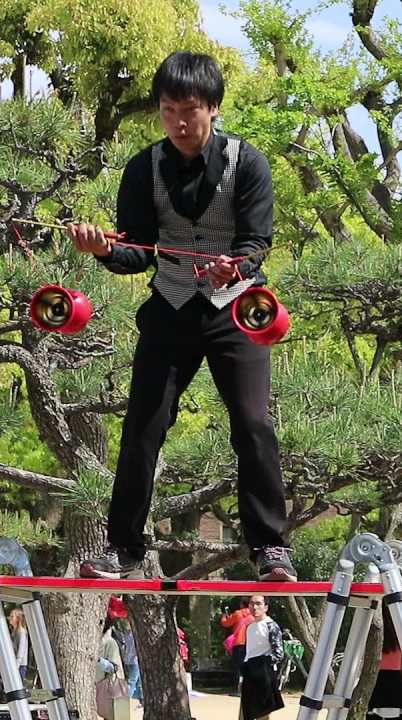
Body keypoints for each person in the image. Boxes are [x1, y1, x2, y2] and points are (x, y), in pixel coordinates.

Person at [69, 50, 295, 583]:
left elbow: (256, 242)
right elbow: (137, 252)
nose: (178, 122)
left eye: (189, 110)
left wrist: (233, 266)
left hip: (235, 309)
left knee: (253, 424)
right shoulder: (142, 167)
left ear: (213, 107)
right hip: (170, 307)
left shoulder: (248, 163)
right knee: (142, 427)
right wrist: (104, 249)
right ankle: (122, 548)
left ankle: (270, 547)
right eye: (168, 110)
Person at [238, 596, 284, 720]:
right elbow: (249, 653)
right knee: (245, 714)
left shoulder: (271, 626)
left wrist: (260, 664)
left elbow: (278, 653)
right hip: (249, 673)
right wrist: (242, 677)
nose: (255, 607)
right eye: (252, 603)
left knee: (262, 714)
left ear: (266, 607)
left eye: (258, 603)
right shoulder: (250, 627)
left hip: (264, 674)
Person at [367, 609, 402, 720]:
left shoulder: (372, 632)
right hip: (396, 679)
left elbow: (365, 660)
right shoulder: (401, 635)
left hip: (377, 679)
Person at [221, 598, 253, 696]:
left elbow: (226, 623)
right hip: (251, 643)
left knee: (238, 666)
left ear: (242, 604)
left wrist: (224, 616)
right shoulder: (254, 615)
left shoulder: (238, 613)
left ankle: (239, 690)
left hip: (239, 643)